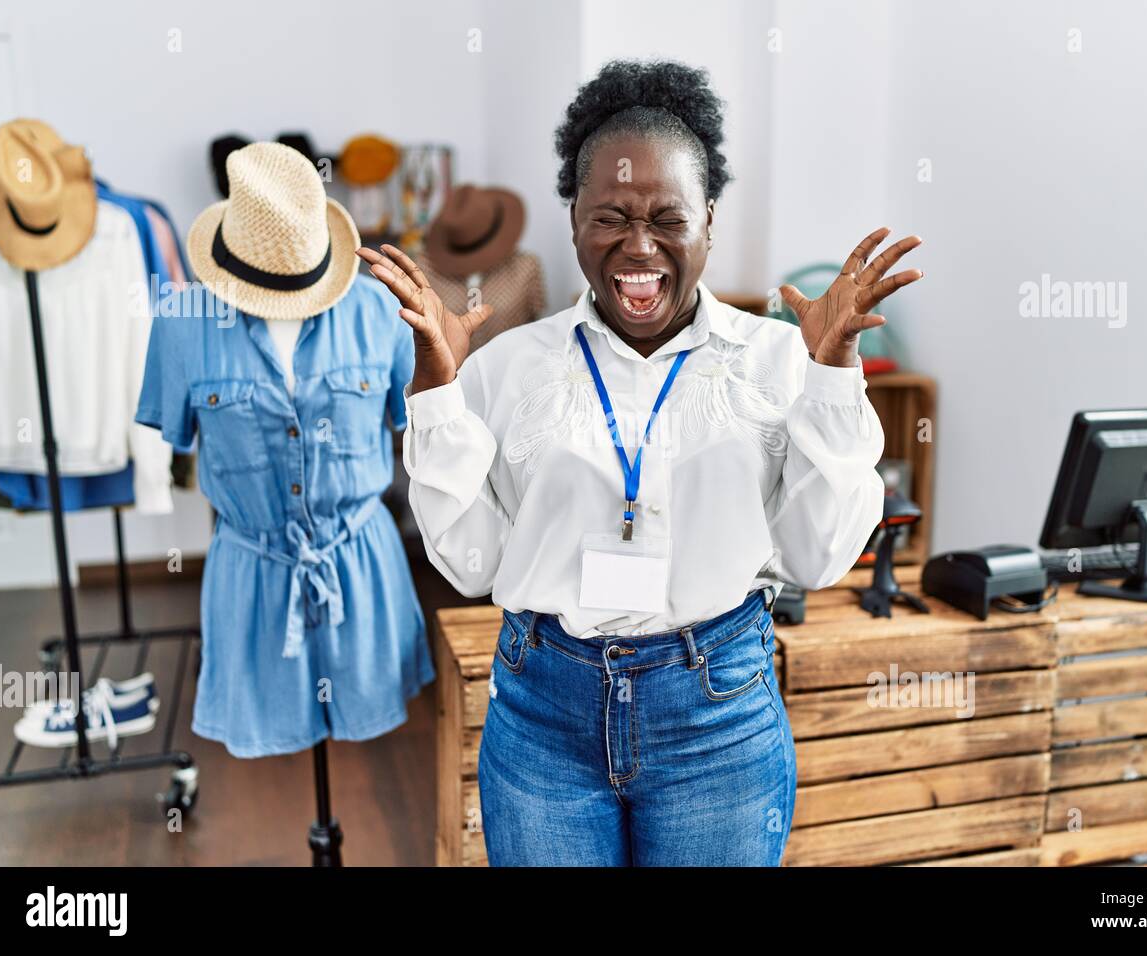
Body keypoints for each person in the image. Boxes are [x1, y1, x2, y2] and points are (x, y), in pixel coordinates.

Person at [358, 59, 922, 866]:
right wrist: (437, 395)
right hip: (542, 714)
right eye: (610, 217)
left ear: (710, 221)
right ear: (574, 220)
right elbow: (474, 565)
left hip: (717, 714)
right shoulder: (505, 367)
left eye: (668, 217)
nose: (638, 246)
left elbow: (819, 558)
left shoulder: (781, 361)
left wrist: (833, 372)